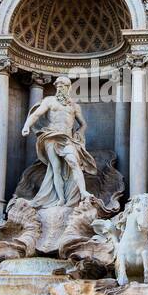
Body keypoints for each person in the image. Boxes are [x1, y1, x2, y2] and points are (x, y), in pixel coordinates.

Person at [21, 75, 100, 208]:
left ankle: (83, 192)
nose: (59, 88)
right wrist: (26, 126)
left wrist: (80, 132)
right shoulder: (49, 101)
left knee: (74, 162)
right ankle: (61, 198)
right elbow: (36, 114)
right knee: (55, 168)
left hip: (67, 138)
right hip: (51, 136)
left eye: (62, 85)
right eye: (57, 85)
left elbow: (83, 124)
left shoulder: (74, 106)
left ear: (68, 87)